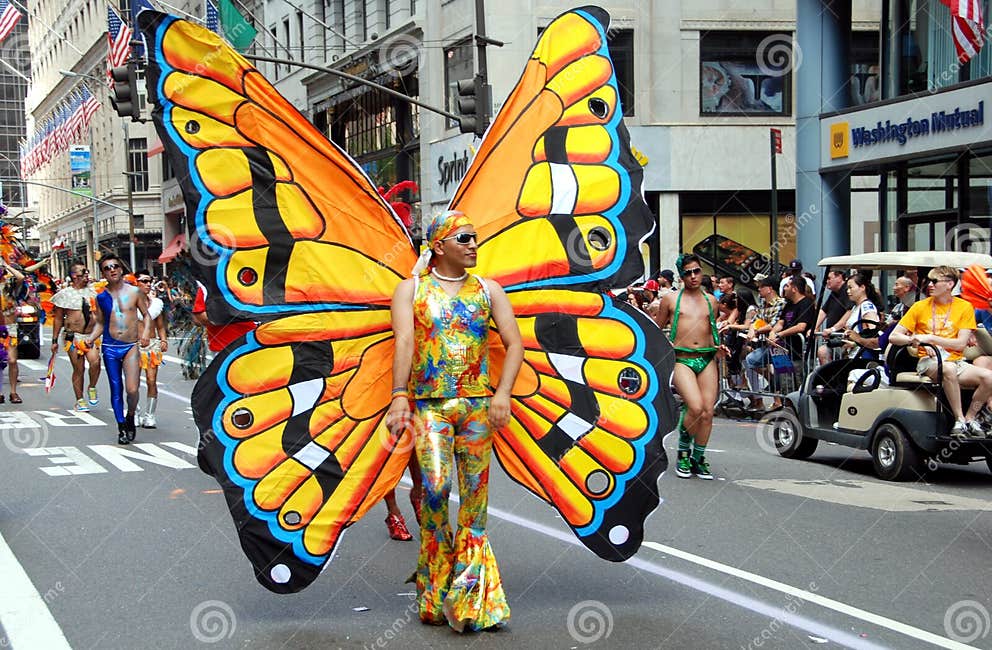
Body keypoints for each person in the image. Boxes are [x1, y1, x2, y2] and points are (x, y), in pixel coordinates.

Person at [387, 210, 523, 631]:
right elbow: (405, 342)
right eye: (465, 238)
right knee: (436, 488)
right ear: (439, 244)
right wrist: (398, 397)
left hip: (478, 407)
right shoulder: (411, 290)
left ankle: (473, 601)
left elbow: (514, 342)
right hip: (431, 407)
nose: (473, 245)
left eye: (475, 238)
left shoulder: (489, 290)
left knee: (475, 502)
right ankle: (435, 583)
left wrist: (502, 393)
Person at [889, 266, 992, 438]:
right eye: (929, 281)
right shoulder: (919, 307)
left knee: (989, 377)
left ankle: (970, 418)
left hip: (956, 361)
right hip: (929, 362)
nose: (930, 285)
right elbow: (894, 336)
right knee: (948, 369)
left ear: (950, 284)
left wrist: (931, 338)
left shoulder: (964, 307)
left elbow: (960, 344)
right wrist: (913, 340)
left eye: (935, 281)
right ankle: (958, 419)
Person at [655, 253, 727, 480]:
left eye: (697, 271)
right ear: (681, 276)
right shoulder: (671, 299)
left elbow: (710, 330)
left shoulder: (711, 301)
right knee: (694, 407)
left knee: (707, 411)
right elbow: (657, 329)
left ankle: (698, 457)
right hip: (681, 358)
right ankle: (683, 452)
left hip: (706, 359)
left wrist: (719, 347)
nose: (694, 276)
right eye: (688, 273)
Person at [86, 256, 152, 444]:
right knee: (116, 388)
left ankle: (131, 415)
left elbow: (146, 316)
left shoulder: (135, 292)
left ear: (121, 269)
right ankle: (121, 426)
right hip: (109, 346)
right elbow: (100, 323)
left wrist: (146, 332)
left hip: (130, 345)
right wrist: (91, 339)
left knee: (132, 390)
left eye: (115, 266)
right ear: (103, 273)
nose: (112, 270)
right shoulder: (101, 297)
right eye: (107, 268)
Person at [50, 263, 101, 411]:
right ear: (74, 275)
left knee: (95, 362)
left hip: (90, 336)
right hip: (72, 337)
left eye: (87, 271)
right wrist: (54, 340)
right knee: (78, 369)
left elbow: (100, 314)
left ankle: (92, 387)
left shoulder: (94, 292)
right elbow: (58, 318)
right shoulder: (64, 294)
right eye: (83, 272)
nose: (87, 274)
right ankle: (79, 400)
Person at [768, 276, 817, 401]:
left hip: (800, 352)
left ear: (794, 288)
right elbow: (780, 322)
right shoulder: (788, 304)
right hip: (785, 352)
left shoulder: (806, 303)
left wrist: (781, 334)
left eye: (787, 286)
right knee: (786, 385)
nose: (784, 288)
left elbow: (801, 326)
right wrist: (773, 333)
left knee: (800, 384)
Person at [133, 270, 169, 428]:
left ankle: (150, 415)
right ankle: (134, 412)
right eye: (144, 281)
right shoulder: (129, 303)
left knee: (151, 380)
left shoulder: (156, 304)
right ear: (136, 283)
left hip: (152, 346)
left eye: (149, 281)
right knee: (132, 383)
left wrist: (164, 339)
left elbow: (160, 325)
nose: (148, 284)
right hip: (133, 346)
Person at [842, 270, 883, 359]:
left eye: (851, 287)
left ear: (862, 287)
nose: (848, 291)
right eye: (847, 288)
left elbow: (873, 332)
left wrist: (856, 341)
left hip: (863, 356)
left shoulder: (867, 306)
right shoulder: (855, 307)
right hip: (854, 355)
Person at [816, 269, 853, 365]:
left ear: (839, 277)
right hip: (834, 339)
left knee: (824, 352)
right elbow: (823, 311)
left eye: (829, 278)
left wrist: (833, 329)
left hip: (844, 339)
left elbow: (850, 312)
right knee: (823, 352)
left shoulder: (846, 291)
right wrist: (814, 327)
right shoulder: (834, 293)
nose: (827, 281)